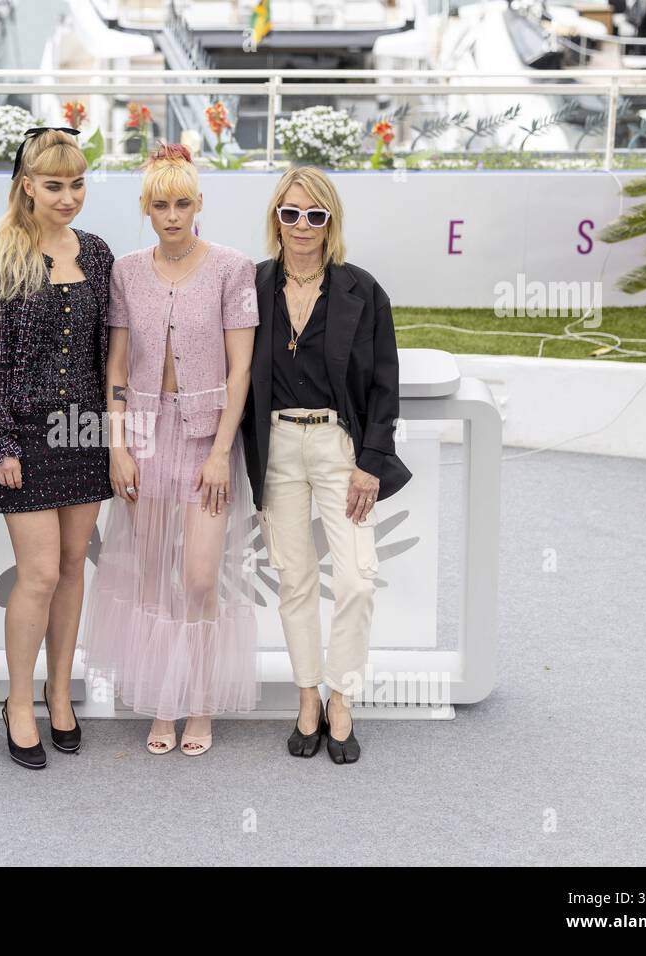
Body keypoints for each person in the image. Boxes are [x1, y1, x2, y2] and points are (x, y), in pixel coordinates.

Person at [80, 143, 260, 757]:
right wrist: (118, 444)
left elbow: (241, 372)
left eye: (183, 203)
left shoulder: (233, 268)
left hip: (209, 437)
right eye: (161, 204)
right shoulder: (127, 271)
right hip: (146, 438)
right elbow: (119, 365)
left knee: (202, 578)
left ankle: (201, 703)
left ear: (200, 204)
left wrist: (220, 451)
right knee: (153, 579)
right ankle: (162, 703)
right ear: (146, 208)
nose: (173, 214)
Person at [242, 165, 412, 764]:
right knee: (294, 581)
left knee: (358, 580)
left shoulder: (362, 291)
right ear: (276, 220)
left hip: (342, 449)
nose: (303, 226)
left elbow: (385, 385)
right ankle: (308, 698)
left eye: (315, 215)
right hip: (277, 448)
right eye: (291, 213)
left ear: (330, 220)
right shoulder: (253, 285)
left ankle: (343, 696)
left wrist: (371, 461)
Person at [0, 127, 115, 769]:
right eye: (54, 185)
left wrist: (118, 433)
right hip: (20, 439)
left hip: (84, 434)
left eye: (77, 184)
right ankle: (19, 701)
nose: (68, 197)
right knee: (40, 572)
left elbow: (109, 352)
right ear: (26, 185)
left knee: (75, 565)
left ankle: (60, 694)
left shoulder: (99, 253)